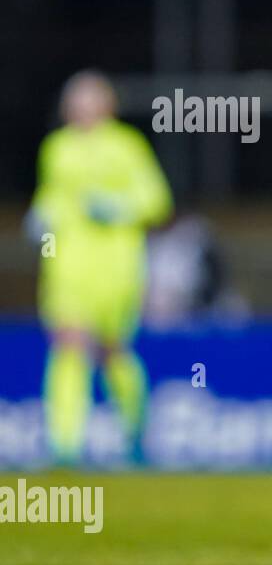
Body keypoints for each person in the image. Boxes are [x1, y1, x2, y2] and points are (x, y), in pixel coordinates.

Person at [27, 70, 174, 466]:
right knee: (68, 344)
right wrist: (41, 217)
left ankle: (136, 434)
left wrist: (118, 207)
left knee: (112, 352)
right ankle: (64, 446)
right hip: (67, 266)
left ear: (108, 105)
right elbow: (52, 198)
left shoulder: (127, 146)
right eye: (75, 101)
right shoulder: (56, 148)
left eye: (90, 100)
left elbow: (157, 200)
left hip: (117, 268)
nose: (82, 108)